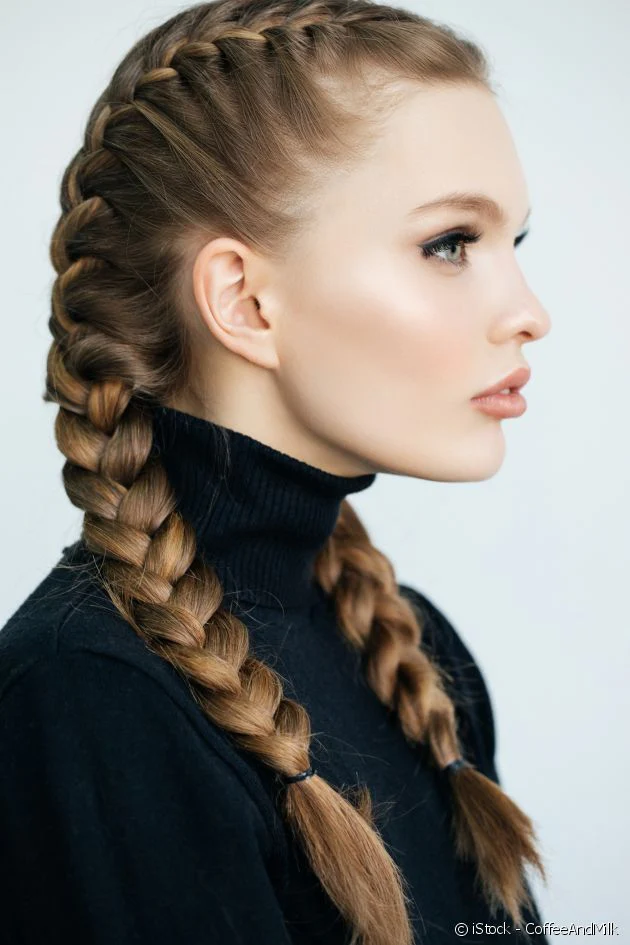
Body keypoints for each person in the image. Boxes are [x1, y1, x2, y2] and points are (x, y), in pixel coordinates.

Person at [0, 1, 552, 943]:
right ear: (244, 301)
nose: (529, 312)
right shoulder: (88, 702)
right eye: (450, 243)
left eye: (515, 244)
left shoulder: (420, 658)